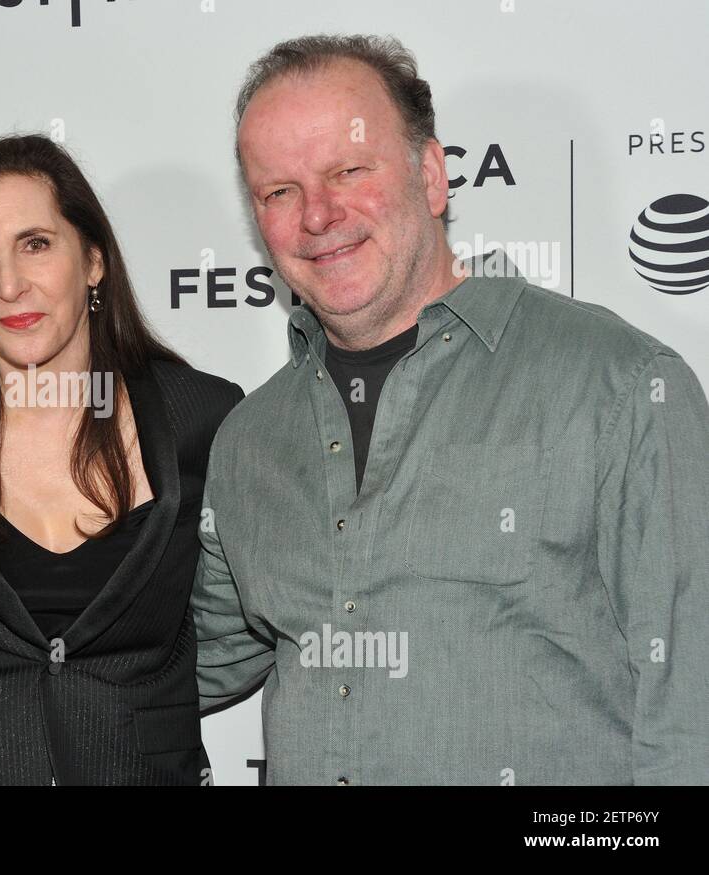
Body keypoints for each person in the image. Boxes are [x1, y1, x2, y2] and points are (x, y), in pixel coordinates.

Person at [193, 34, 709, 784]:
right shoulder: (248, 441)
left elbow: (691, 713)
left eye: (347, 170)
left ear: (431, 176)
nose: (318, 215)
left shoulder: (621, 385)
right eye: (280, 191)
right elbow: (168, 666)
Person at [0, 134, 242, 785]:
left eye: (35, 243)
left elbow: (237, 622)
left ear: (93, 259)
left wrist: (139, 703)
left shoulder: (201, 415)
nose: (10, 284)